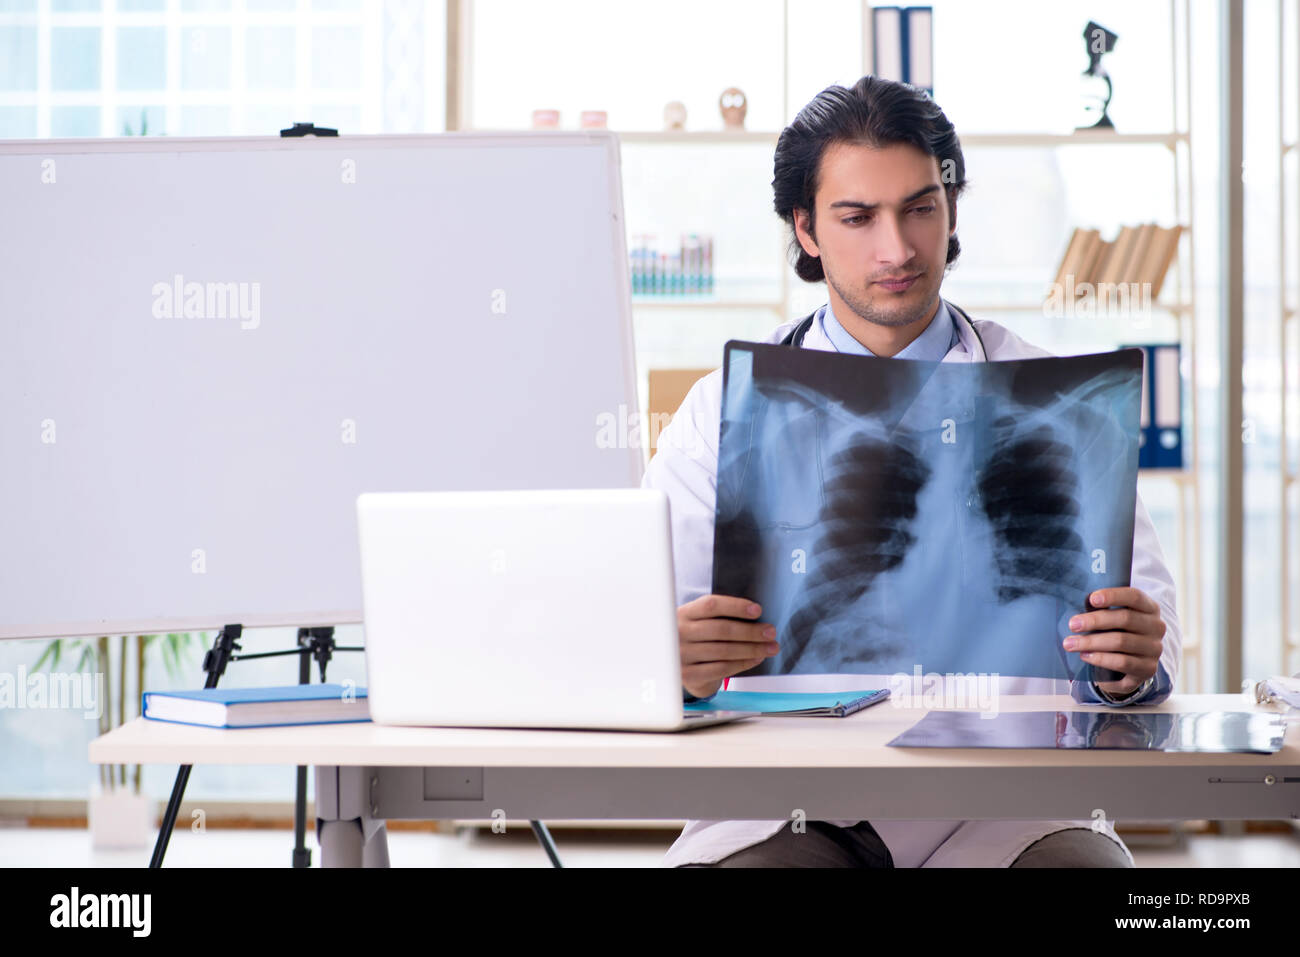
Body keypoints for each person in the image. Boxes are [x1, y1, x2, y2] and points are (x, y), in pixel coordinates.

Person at [642, 75, 1180, 868]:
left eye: (920, 208)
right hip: (790, 797)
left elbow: (1146, 637)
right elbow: (640, 636)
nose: (896, 249)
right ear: (806, 228)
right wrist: (667, 657)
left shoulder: (1058, 399)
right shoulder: (720, 410)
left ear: (951, 210)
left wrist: (1131, 665)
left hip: (1018, 805)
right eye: (857, 217)